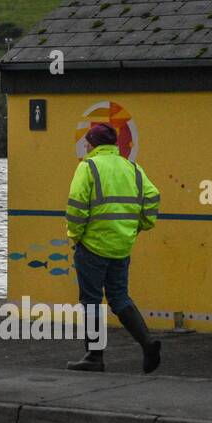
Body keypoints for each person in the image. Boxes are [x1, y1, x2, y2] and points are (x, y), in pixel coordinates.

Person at [64, 123, 162, 373]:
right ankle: (147, 342)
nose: (85, 146)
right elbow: (152, 196)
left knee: (92, 302)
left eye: (87, 142)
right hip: (121, 246)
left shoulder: (88, 167)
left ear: (93, 144)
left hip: (92, 245)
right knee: (119, 298)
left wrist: (75, 236)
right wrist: (142, 224)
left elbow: (76, 207)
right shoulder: (133, 168)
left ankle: (94, 356)